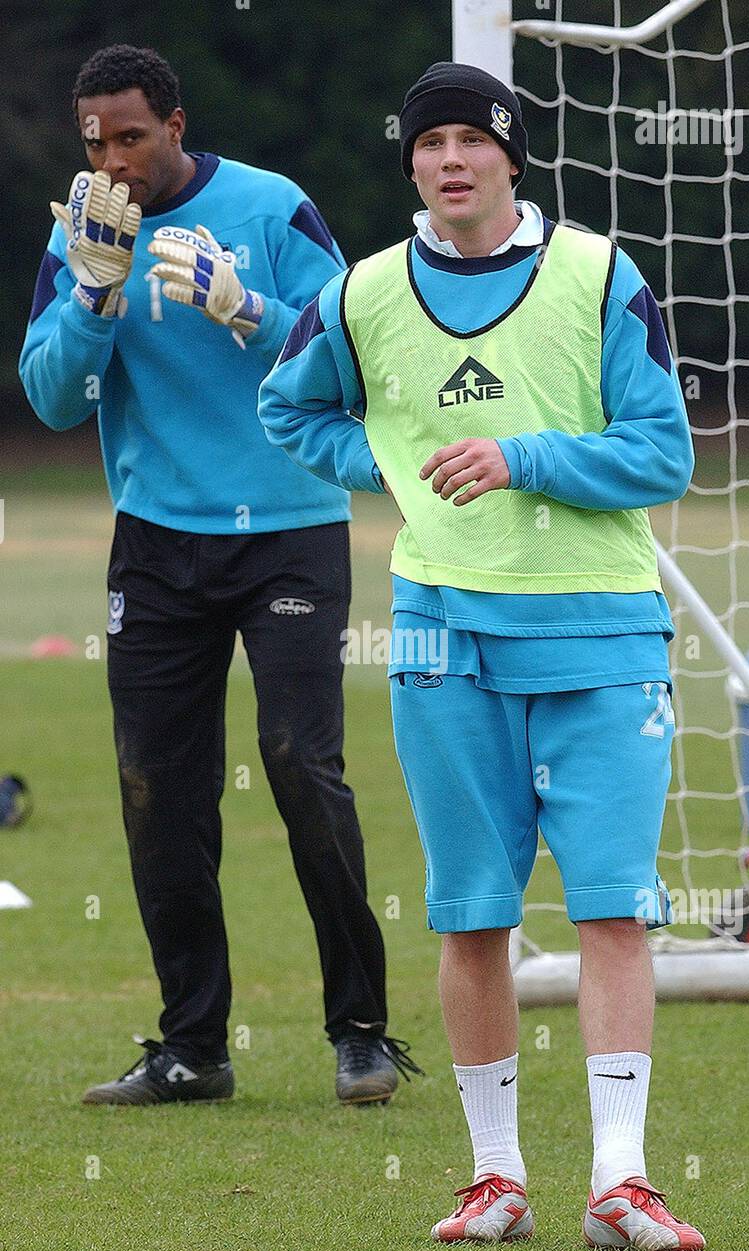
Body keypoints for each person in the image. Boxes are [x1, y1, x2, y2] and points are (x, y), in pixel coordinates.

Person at [260, 61, 706, 1251]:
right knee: (470, 915)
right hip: (440, 633)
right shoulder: (360, 295)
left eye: (473, 138)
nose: (450, 158)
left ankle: (620, 1178)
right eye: (428, 141)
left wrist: (523, 458)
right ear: (408, 162)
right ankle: (492, 1177)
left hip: (601, 630)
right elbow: (287, 410)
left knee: (613, 908)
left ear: (511, 157)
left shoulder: (600, 275)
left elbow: (664, 454)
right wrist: (397, 468)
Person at [19, 43, 421, 1108]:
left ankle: (362, 1030)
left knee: (298, 762)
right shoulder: (83, 230)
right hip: (155, 542)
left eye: (132, 137)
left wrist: (246, 309)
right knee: (159, 791)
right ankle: (193, 1047)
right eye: (95, 141)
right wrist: (93, 300)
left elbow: (356, 357)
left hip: (288, 530)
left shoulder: (271, 206)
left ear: (177, 125)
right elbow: (54, 398)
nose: (113, 160)